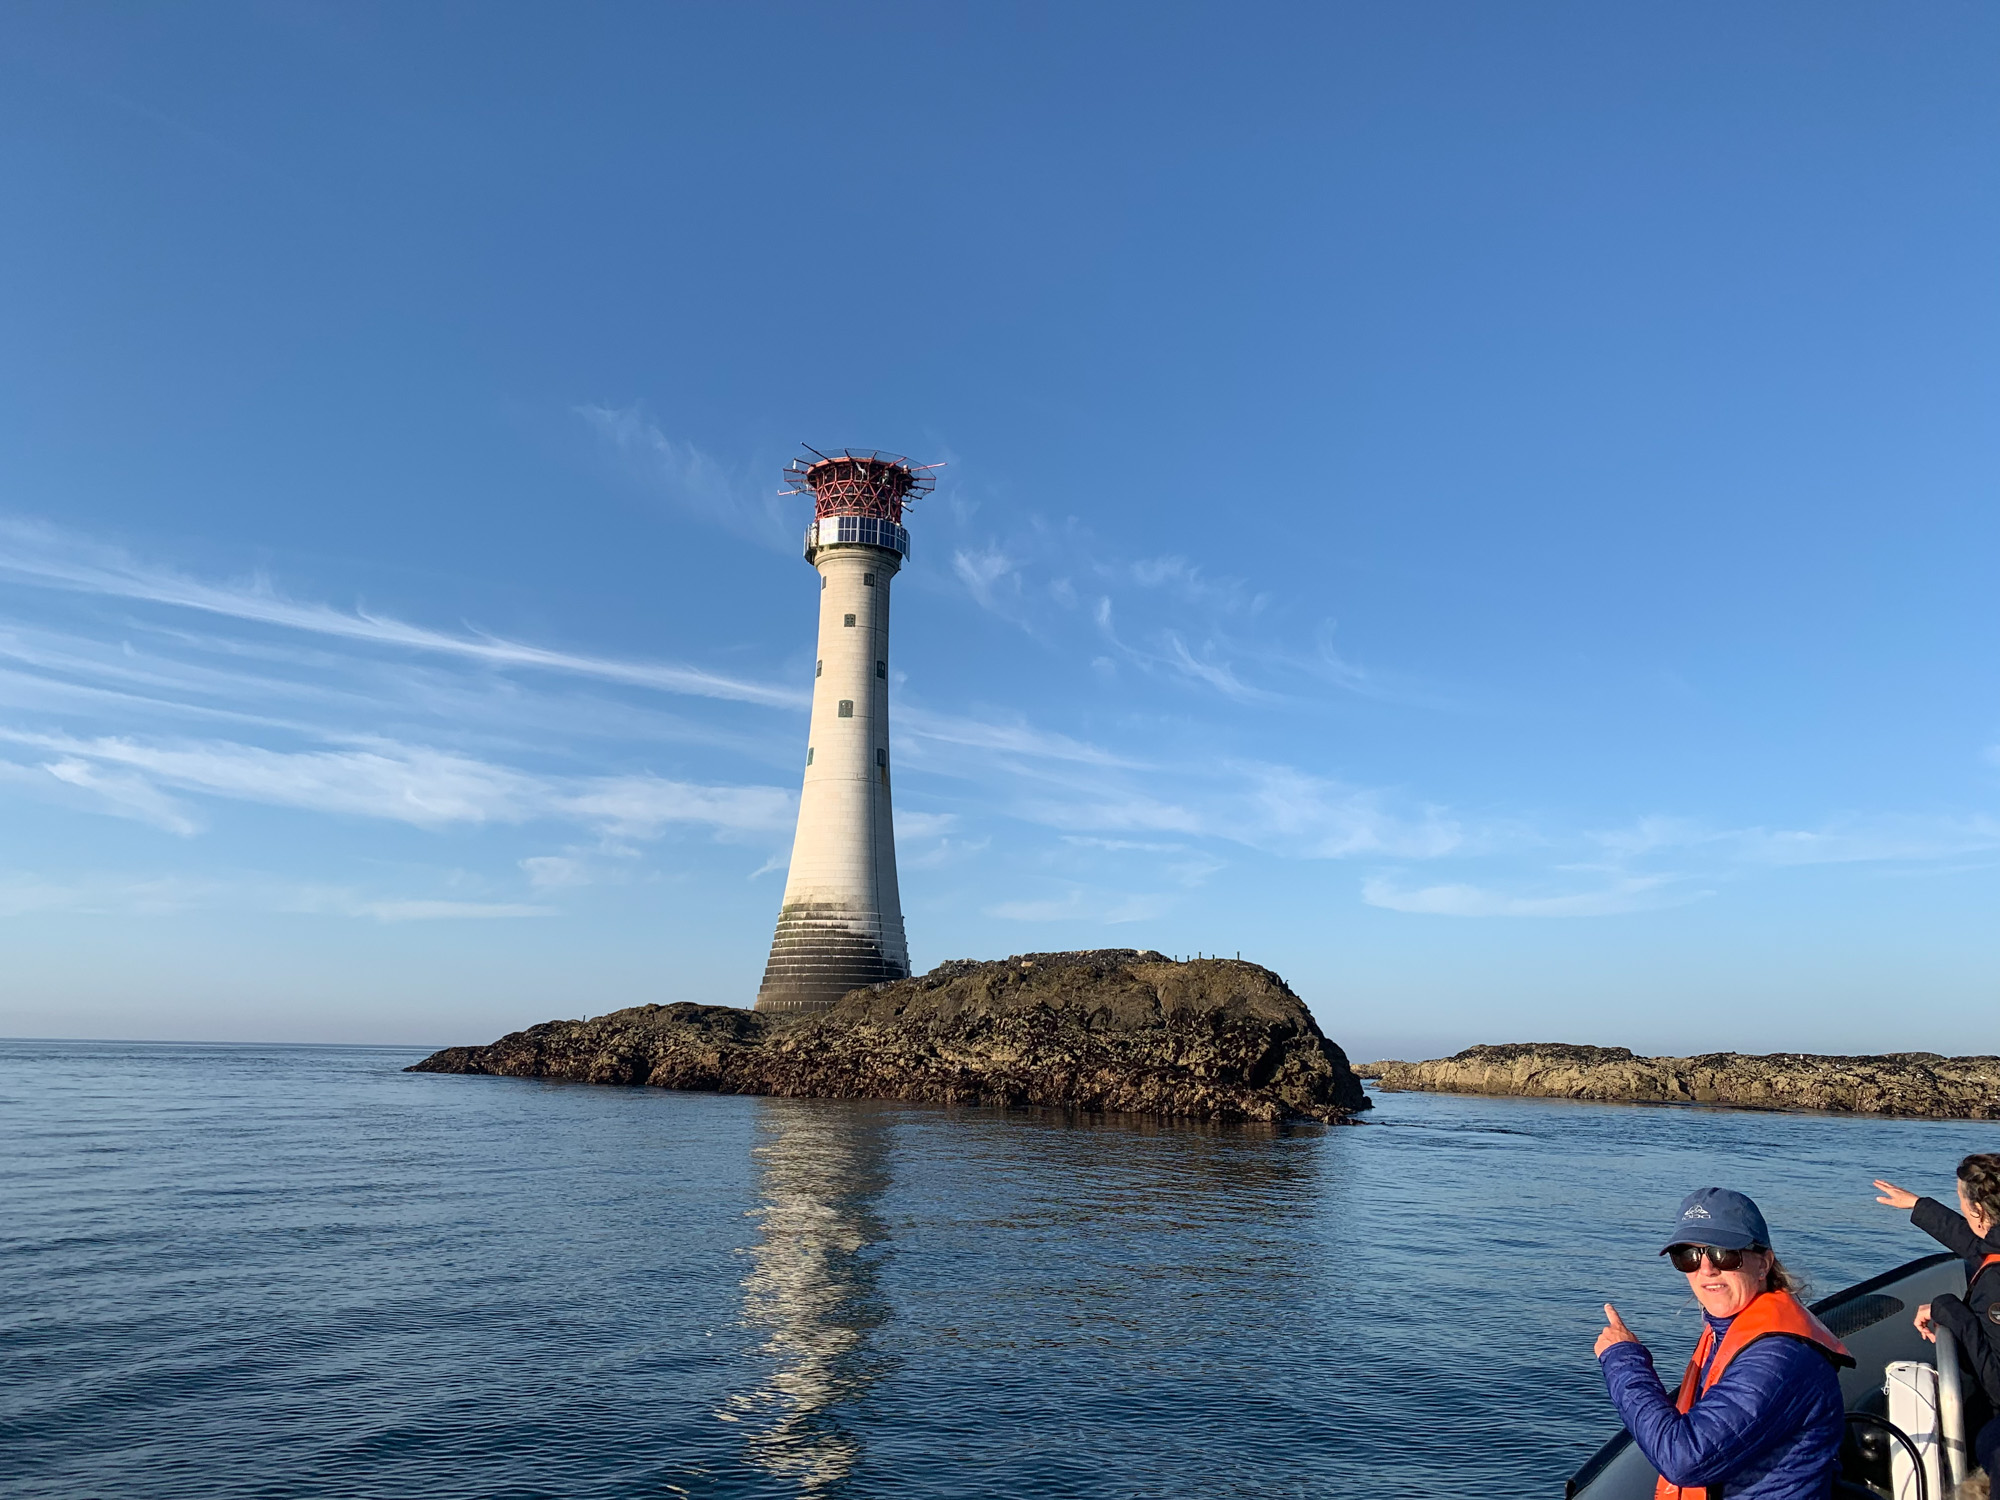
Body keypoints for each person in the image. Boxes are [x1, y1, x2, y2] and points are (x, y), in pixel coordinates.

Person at [1595, 1187, 1854, 1500]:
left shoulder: (1780, 1357)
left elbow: (1684, 1459)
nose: (1706, 1269)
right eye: (1688, 1256)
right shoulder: (1729, 1330)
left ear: (1764, 1264)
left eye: (1724, 1253)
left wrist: (1623, 1360)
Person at [1873, 1154, 2000, 1484]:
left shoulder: (1996, 1285)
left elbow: (1997, 1382)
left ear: (1978, 1211)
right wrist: (1918, 1206)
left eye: (1961, 1201)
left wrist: (1946, 1308)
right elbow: (1977, 1246)